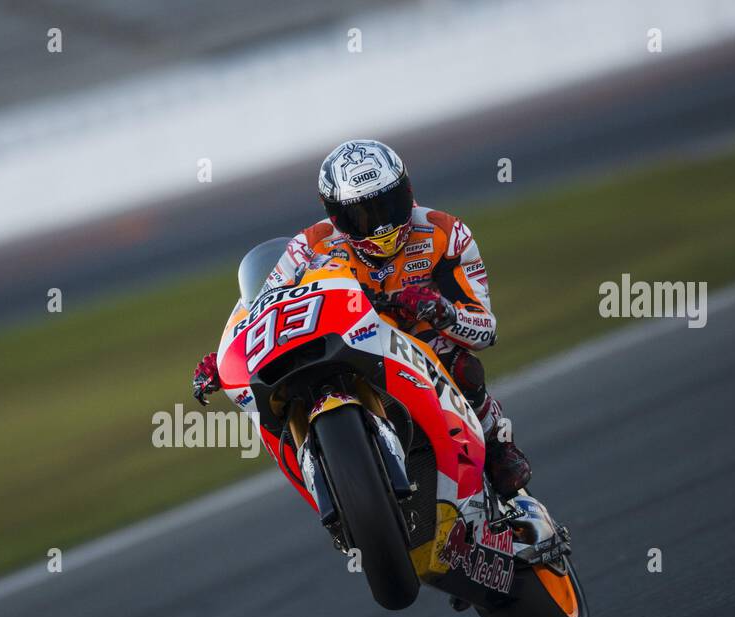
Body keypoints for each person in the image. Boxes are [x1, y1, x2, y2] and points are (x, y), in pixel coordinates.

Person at [192, 139, 531, 498]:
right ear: (336, 215)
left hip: (421, 348)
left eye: (389, 205)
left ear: (407, 191)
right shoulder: (309, 246)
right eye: (363, 215)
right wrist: (233, 358)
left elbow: (485, 330)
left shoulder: (445, 233)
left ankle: (496, 445)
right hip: (350, 344)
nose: (380, 226)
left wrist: (441, 311)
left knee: (462, 365)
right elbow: (264, 304)